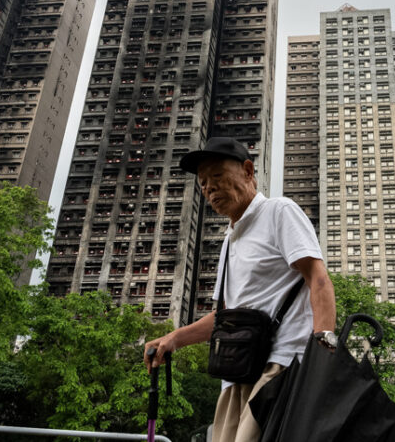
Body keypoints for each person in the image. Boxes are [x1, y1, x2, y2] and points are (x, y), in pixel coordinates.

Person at [144, 136, 337, 442]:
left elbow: (318, 279)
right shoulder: (229, 240)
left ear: (248, 171)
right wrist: (174, 338)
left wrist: (325, 353)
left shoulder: (278, 212)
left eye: (217, 176)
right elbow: (225, 317)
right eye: (203, 182)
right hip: (237, 372)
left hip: (281, 366)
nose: (209, 188)